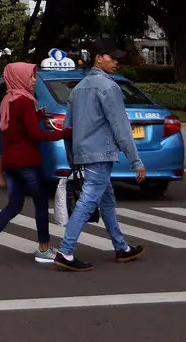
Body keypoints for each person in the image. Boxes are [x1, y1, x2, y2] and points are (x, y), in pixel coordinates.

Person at [54, 38, 146, 272]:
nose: (116, 62)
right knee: (87, 201)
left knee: (107, 200)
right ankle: (65, 251)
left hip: (84, 153)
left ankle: (121, 247)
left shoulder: (79, 89)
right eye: (111, 58)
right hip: (102, 152)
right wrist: (136, 161)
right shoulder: (109, 87)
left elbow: (67, 127)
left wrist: (72, 155)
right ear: (98, 58)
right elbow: (121, 127)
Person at [0, 62, 66, 266]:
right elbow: (35, 135)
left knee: (14, 204)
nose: (34, 80)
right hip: (28, 162)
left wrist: (35, 116)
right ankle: (43, 249)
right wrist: (64, 133)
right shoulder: (25, 101)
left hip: (11, 162)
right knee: (41, 204)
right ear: (19, 78)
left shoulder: (8, 100)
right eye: (31, 76)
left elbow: (15, 126)